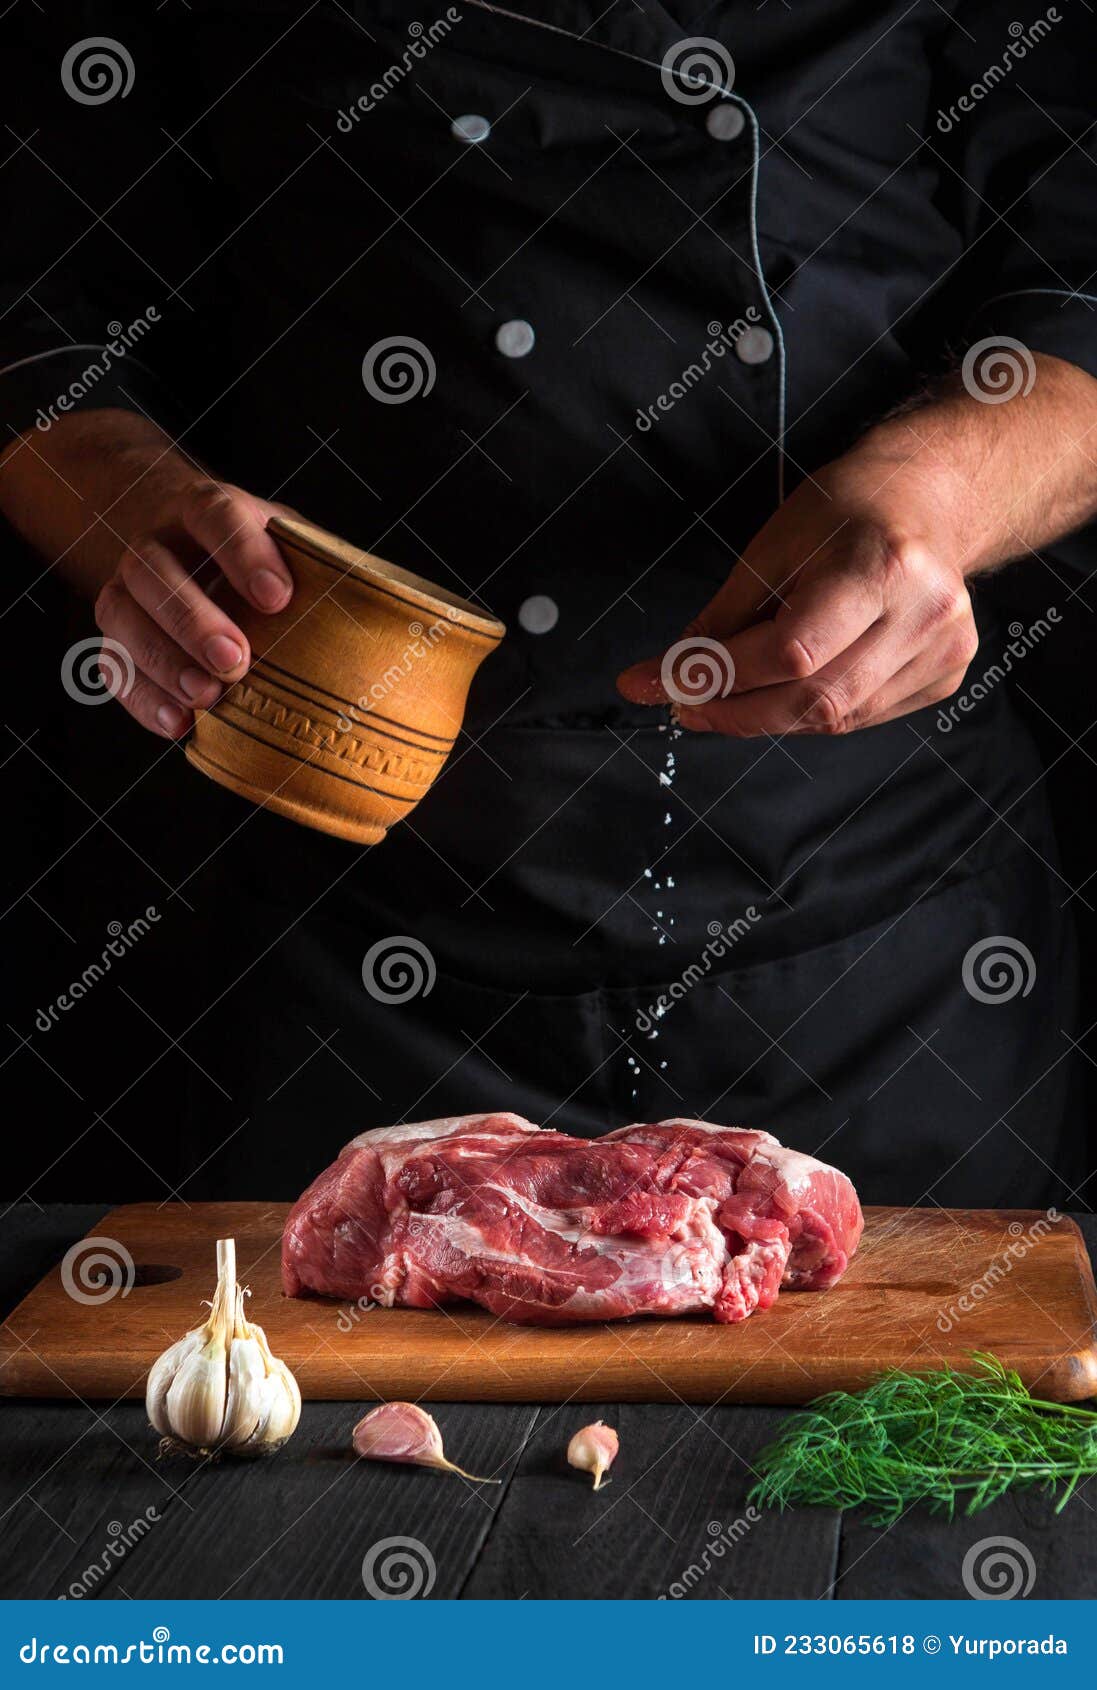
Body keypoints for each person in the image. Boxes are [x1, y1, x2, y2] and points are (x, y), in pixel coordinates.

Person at [2, 2, 1095, 1207]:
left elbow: (1079, 261)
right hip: (336, 920)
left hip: (857, 932)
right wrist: (131, 515)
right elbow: (44, 287)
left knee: (915, 1394)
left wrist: (940, 495)